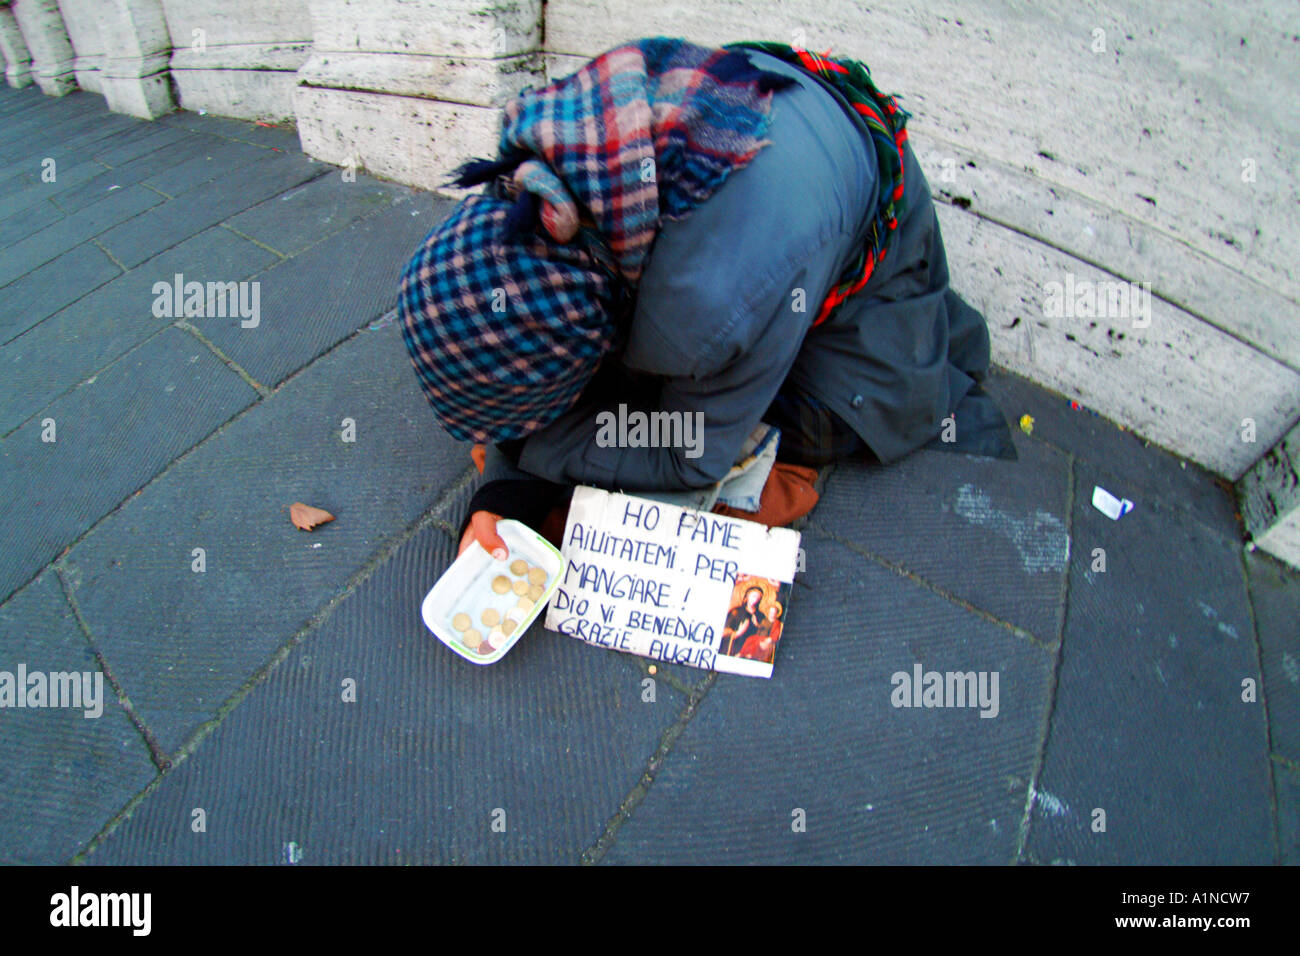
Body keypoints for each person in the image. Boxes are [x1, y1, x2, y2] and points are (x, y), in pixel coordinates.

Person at [397, 37, 1014, 561]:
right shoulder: (546, 156)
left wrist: (529, 451)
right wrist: (516, 470)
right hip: (772, 127)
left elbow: (687, 449)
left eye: (534, 410)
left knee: (810, 423)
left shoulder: (709, 309)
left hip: (858, 243)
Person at [721, 586, 767, 657]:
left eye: (758, 598)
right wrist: (738, 633)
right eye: (753, 596)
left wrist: (758, 626)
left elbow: (765, 634)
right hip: (735, 645)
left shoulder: (760, 615)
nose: (755, 600)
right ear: (747, 596)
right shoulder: (736, 611)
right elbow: (724, 630)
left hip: (752, 649)